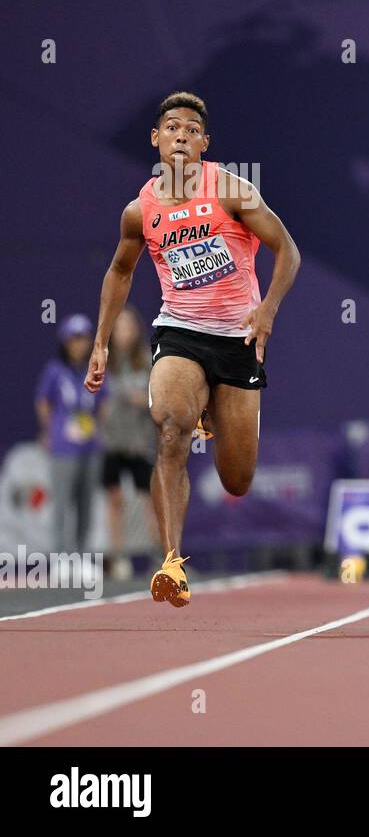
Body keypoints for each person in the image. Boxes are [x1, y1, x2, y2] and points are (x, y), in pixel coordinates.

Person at [84, 92, 301, 608]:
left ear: (204, 143)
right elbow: (120, 271)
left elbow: (286, 249)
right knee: (171, 427)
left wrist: (267, 309)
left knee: (237, 479)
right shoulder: (140, 211)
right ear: (155, 139)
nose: (181, 135)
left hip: (237, 339)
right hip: (179, 331)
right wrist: (99, 343)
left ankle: (214, 408)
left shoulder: (232, 191)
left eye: (191, 129)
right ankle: (172, 564)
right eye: (171, 127)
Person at [36, 314, 104, 563]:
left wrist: (99, 429)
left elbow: (102, 402)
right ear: (65, 342)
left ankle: (83, 556)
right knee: (62, 503)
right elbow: (43, 402)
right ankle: (60, 557)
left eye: (83, 339)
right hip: (63, 446)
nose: (79, 344)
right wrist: (49, 431)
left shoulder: (94, 369)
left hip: (90, 445)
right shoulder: (55, 371)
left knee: (86, 504)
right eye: (74, 339)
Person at [98, 306, 157, 580]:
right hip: (112, 441)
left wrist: (142, 398)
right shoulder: (104, 360)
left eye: (128, 326)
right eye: (119, 327)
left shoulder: (145, 359)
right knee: (114, 500)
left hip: (139, 442)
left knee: (151, 500)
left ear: (136, 330)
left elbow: (154, 395)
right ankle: (119, 557)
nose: (124, 332)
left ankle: (160, 556)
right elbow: (95, 397)